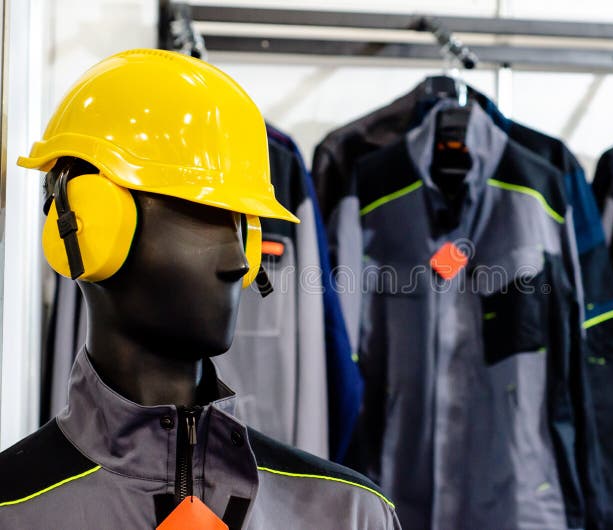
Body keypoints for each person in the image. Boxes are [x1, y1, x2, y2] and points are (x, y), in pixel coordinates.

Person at [0, 49, 400, 530]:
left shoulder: (350, 514)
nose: (239, 263)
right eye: (204, 218)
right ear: (84, 227)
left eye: (242, 225)